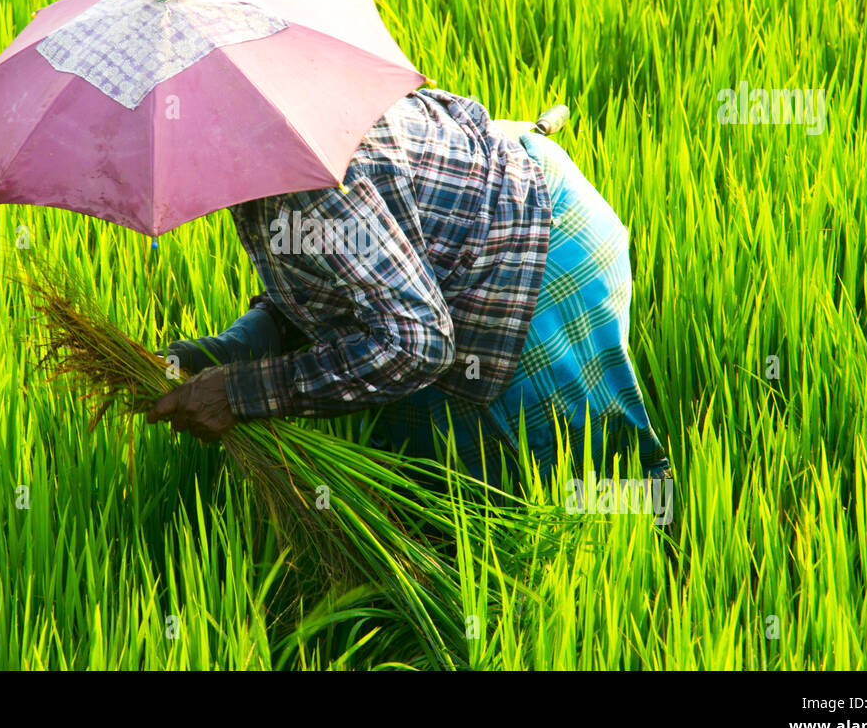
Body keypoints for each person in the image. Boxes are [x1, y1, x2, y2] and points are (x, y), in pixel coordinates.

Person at [146, 87, 672, 499]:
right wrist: (237, 346)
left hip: (539, 258)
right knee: (428, 472)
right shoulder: (266, 155)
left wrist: (242, 392)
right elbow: (331, 284)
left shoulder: (318, 186)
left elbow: (416, 344)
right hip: (469, 254)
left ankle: (654, 578)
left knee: (547, 489)